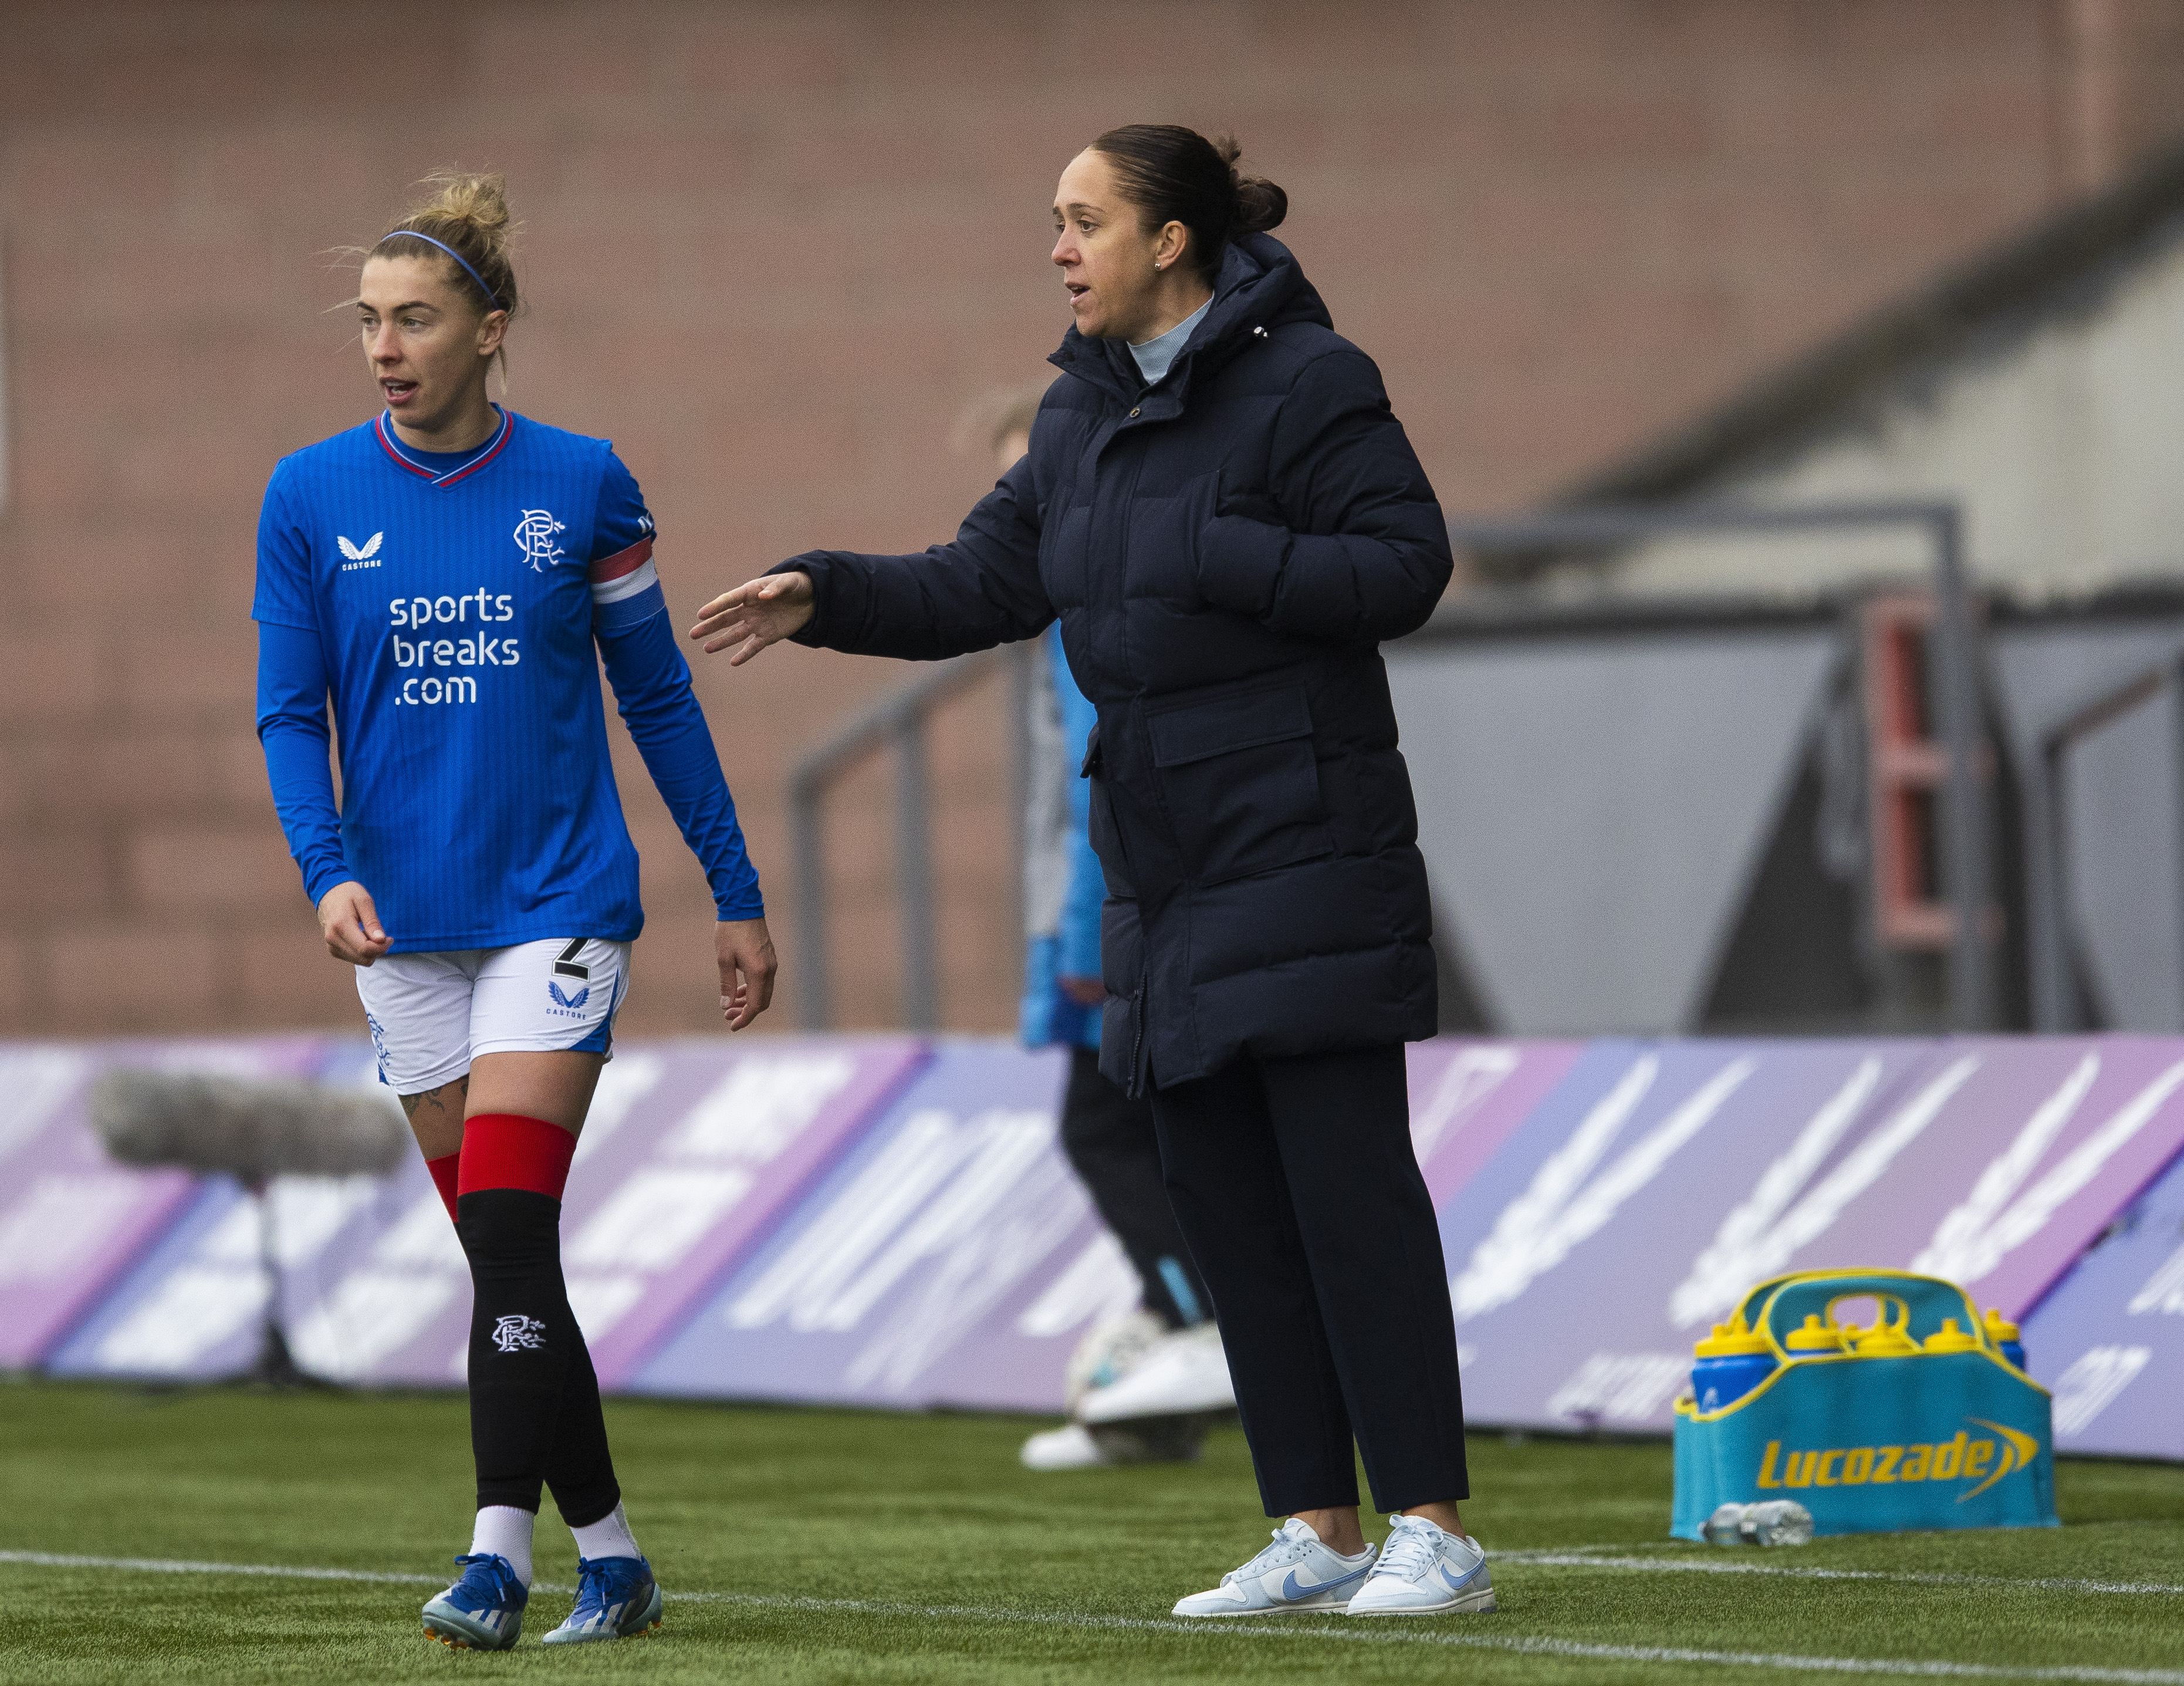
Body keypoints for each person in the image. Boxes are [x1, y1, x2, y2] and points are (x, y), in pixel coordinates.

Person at [691, 125, 1492, 1618]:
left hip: (1306, 844)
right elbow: (982, 581)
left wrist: (1224, 551)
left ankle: (1433, 1531)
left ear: (1169, 240)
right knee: (1232, 1217)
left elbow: (1405, 567)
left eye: (1082, 221)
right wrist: (829, 592)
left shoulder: (1312, 379)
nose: (1057, 249)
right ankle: (1317, 1531)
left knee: (1348, 1204)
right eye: (1052, 224)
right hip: (1163, 876)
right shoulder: (1076, 417)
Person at [253, 171, 777, 1650]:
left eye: (415, 319)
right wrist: (323, 867)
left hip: (559, 908)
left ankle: (495, 1558)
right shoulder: (307, 496)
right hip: (400, 925)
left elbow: (659, 700)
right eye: (367, 323)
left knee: (503, 1219)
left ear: (493, 330)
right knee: (510, 1261)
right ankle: (612, 1554)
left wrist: (734, 893)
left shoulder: (583, 481)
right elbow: (290, 714)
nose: (384, 347)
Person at [986, 394, 1230, 1474]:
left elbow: (1101, 779)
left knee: (1106, 1130)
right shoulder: (1056, 615)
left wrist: (1085, 938)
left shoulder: (1093, 613)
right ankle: (1156, 1393)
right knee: (1151, 1135)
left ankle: (1199, 1327)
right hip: (1105, 919)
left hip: (1123, 922)